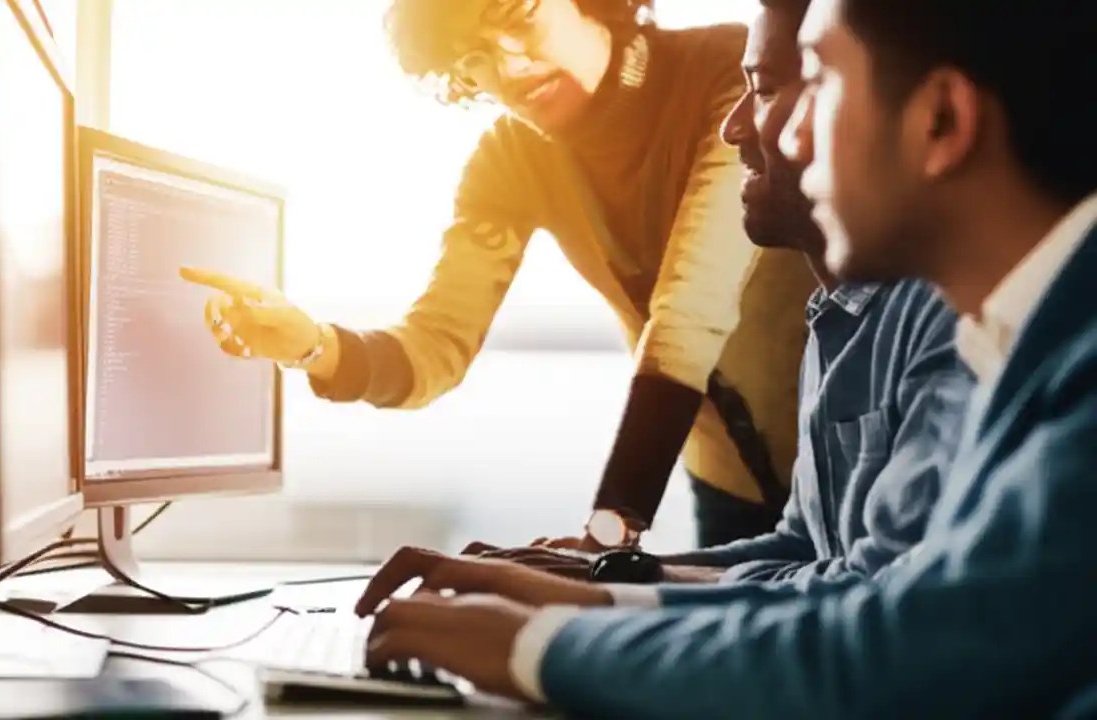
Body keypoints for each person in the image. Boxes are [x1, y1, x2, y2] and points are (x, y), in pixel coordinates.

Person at [353, 0, 1097, 716]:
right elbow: (839, 579)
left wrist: (539, 642)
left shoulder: (1068, 371)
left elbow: (905, 652)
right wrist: (591, 591)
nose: (782, 138)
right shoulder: (989, 335)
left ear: (940, 121)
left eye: (818, 84)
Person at [181, 0, 818, 549]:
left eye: (519, 16)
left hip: (843, 450)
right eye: (474, 58)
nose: (508, 68)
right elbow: (436, 345)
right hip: (725, 484)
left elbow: (691, 311)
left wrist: (609, 530)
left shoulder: (729, 72)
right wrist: (313, 345)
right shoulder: (510, 160)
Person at [477, 0, 974, 587]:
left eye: (765, 91)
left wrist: (592, 591)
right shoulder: (835, 320)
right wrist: (604, 574)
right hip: (726, 474)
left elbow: (875, 596)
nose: (732, 128)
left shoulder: (947, 321)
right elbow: (803, 550)